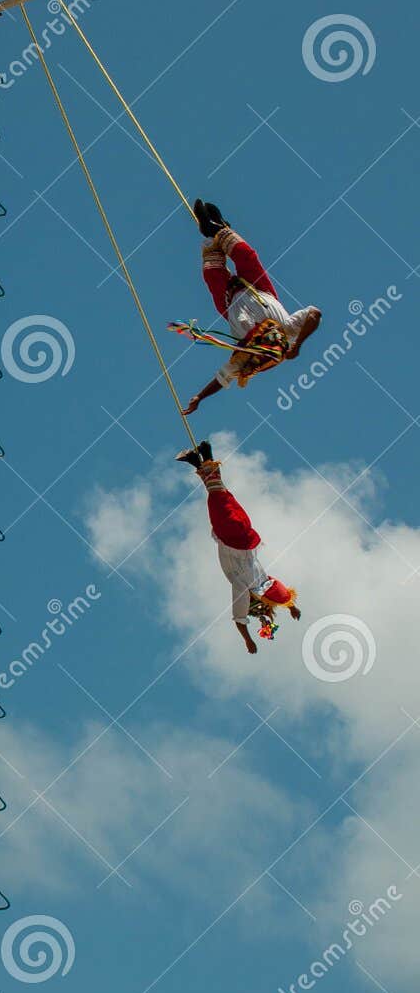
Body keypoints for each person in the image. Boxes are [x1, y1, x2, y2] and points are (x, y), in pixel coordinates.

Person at [183, 199, 321, 415]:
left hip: (229, 302)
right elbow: (314, 313)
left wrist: (200, 397)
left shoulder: (246, 355)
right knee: (247, 257)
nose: (268, 335)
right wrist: (298, 345)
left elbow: (223, 377)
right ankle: (221, 230)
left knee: (212, 273)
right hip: (260, 289)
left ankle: (211, 234)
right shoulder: (288, 329)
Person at [176, 439, 300, 653]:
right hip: (236, 538)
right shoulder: (257, 584)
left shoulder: (249, 586)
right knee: (222, 502)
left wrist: (287, 610)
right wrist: (249, 639)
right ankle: (201, 460)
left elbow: (245, 615)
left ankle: (200, 459)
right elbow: (243, 616)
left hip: (242, 537)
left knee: (222, 501)